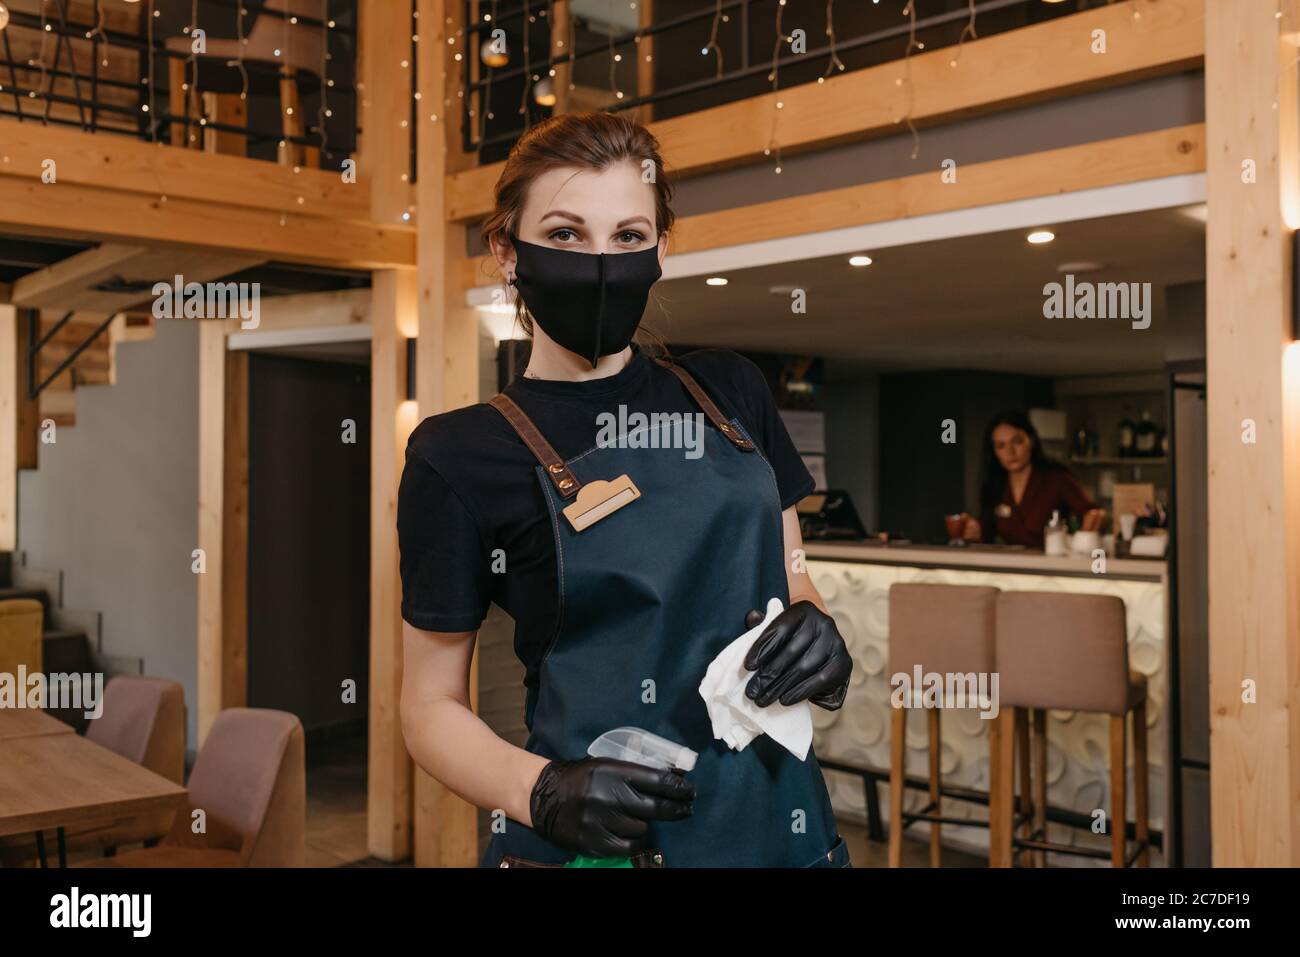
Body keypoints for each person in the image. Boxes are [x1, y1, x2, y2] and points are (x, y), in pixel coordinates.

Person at [396, 112, 853, 868]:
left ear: (661, 249)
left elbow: (792, 575)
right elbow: (427, 706)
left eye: (629, 237)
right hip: (605, 847)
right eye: (567, 234)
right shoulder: (461, 454)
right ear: (508, 250)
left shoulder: (730, 390)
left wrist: (816, 628)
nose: (602, 262)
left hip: (782, 825)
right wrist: (537, 788)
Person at [961, 410, 1104, 548]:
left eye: (1017, 442)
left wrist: (1083, 540)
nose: (1010, 452)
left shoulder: (1056, 479)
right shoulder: (994, 485)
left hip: (1051, 564)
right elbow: (986, 537)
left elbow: (1093, 513)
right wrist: (974, 531)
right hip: (1009, 566)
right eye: (1001, 446)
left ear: (1032, 441)